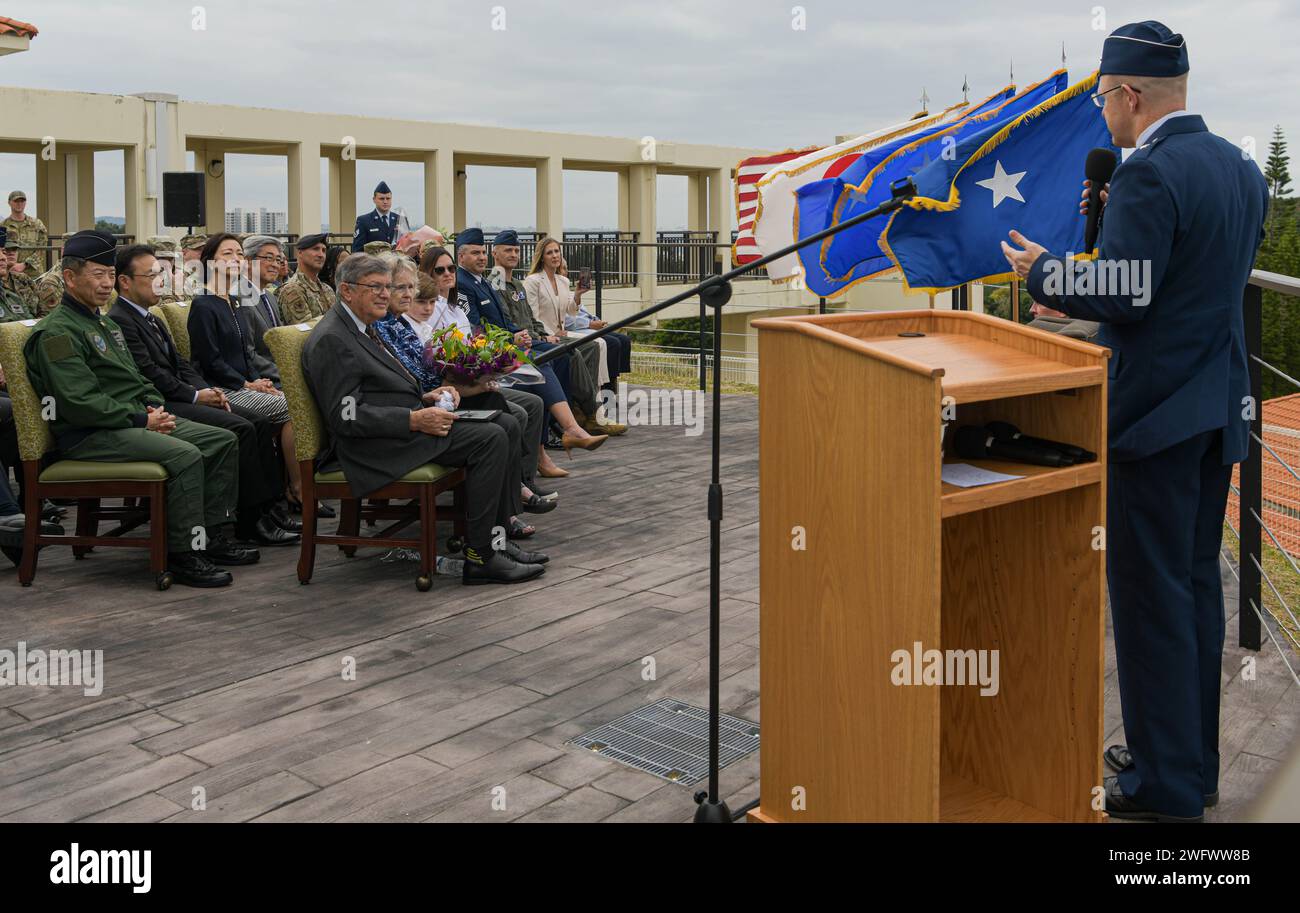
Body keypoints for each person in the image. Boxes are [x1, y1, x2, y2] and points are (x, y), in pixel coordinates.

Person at [1001, 20, 1270, 823]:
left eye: (1100, 96)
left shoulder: (1149, 175)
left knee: (1151, 604)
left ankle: (1163, 789)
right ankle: (1187, 763)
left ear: (1129, 95)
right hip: (1215, 409)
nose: (1100, 112)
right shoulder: (1239, 168)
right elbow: (1191, 279)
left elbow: (1129, 291)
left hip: (1152, 419)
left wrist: (1043, 269)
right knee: (1191, 592)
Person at [301, 253, 548, 584]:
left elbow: (378, 390)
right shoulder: (333, 337)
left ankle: (496, 542)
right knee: (490, 438)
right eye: (375, 287)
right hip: (373, 448)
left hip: (400, 428)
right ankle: (481, 557)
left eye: (387, 287)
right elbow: (345, 416)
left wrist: (424, 399)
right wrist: (413, 419)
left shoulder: (360, 327)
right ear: (346, 290)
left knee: (503, 422)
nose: (384, 294)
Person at [23, 230, 249, 587]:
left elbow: (136, 380)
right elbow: (79, 403)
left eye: (110, 275)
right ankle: (183, 552)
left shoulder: (105, 324)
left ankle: (212, 536)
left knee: (222, 440)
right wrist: (142, 419)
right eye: (97, 275)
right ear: (69, 277)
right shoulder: (57, 333)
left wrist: (153, 408)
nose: (106, 283)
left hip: (131, 421)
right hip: (93, 434)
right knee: (187, 455)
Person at [110, 244, 300, 547]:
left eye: (162, 273)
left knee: (258, 423)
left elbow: (181, 365)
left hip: (186, 392)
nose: (162, 280)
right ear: (125, 281)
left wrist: (204, 391)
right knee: (243, 426)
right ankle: (249, 521)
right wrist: (197, 396)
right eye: (153, 274)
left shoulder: (150, 317)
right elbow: (151, 374)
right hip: (161, 402)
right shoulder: (121, 319)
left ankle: (267, 509)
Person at [376, 258, 555, 521]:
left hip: (435, 398)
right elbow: (415, 381)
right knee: (499, 426)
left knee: (508, 405)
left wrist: (482, 368)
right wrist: (463, 381)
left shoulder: (403, 321)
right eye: (397, 287)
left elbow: (426, 372)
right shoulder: (382, 326)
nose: (406, 294)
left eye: (409, 287)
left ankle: (510, 505)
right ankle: (498, 524)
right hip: (417, 418)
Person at [454, 228, 606, 466]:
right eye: (476, 253)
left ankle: (562, 431)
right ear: (461, 257)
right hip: (493, 350)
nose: (481, 257)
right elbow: (474, 329)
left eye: (482, 252)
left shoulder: (484, 281)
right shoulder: (467, 283)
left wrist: (520, 333)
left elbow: (507, 318)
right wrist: (514, 338)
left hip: (517, 339)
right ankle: (564, 431)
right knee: (544, 363)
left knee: (563, 354)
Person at [187, 233, 303, 509]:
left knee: (296, 402)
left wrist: (258, 381)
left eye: (239, 254)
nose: (236, 259)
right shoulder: (203, 304)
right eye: (227, 254)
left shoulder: (234, 301)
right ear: (210, 262)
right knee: (295, 408)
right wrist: (245, 384)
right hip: (221, 389)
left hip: (243, 384)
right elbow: (210, 360)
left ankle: (288, 487)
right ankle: (297, 488)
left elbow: (246, 351)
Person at [524, 237, 632, 434]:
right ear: (541, 257)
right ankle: (592, 412)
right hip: (545, 335)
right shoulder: (533, 282)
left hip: (561, 333)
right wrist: (546, 334)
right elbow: (531, 314)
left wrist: (578, 295)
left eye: (557, 251)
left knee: (591, 345)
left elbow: (571, 311)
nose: (555, 256)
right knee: (578, 351)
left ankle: (583, 408)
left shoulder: (563, 280)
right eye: (550, 252)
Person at [241, 235, 286, 358]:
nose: (276, 265)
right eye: (269, 258)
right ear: (248, 261)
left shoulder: (270, 297)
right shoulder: (238, 297)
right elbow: (247, 354)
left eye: (278, 260)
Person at [278, 233, 336, 323]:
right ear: (300, 253)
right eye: (315, 249)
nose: (321, 255)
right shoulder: (292, 289)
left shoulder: (327, 289)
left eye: (324, 250)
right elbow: (305, 330)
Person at [3, 190, 48, 275]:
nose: (19, 204)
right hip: (10, 273)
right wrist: (10, 264)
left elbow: (42, 248)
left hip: (32, 274)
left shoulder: (37, 224)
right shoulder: (3, 226)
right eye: (16, 201)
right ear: (9, 203)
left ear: (25, 203)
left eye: (22, 201)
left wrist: (25, 264)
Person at [352, 181, 399, 252]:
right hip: (374, 262)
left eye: (388, 198)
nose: (385, 202)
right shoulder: (364, 221)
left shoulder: (399, 219)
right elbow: (357, 250)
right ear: (374, 200)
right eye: (382, 199)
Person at [0, 234, 38, 321]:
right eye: (7, 250)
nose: (3, 257)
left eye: (3, 252)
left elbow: (39, 312)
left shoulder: (23, 280)